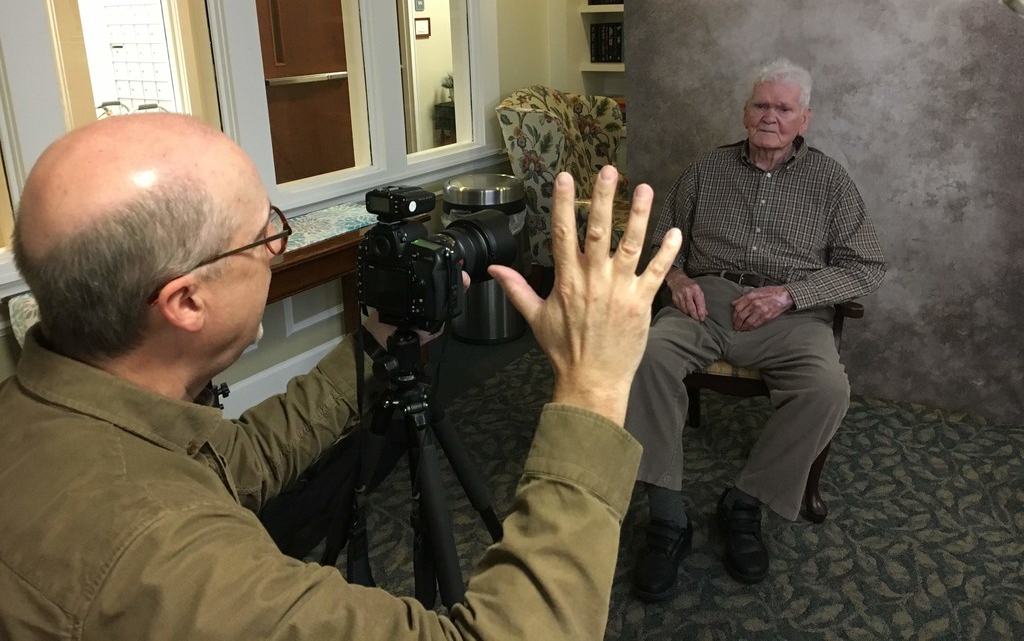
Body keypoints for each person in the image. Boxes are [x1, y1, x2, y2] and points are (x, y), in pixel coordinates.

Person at [0, 112, 681, 639]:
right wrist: (593, 388)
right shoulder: (166, 559)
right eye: (263, 233)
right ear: (186, 302)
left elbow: (231, 461)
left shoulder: (48, 413)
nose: (277, 247)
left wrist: (377, 346)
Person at [626, 58, 886, 600]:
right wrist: (676, 278)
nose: (771, 116)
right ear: (745, 111)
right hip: (708, 300)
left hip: (792, 312)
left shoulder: (831, 181)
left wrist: (790, 295)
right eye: (761, 105)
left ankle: (744, 503)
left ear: (804, 118)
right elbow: (658, 239)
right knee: (647, 356)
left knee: (827, 390)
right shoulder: (706, 169)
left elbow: (867, 264)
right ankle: (668, 517)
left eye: (784, 108)